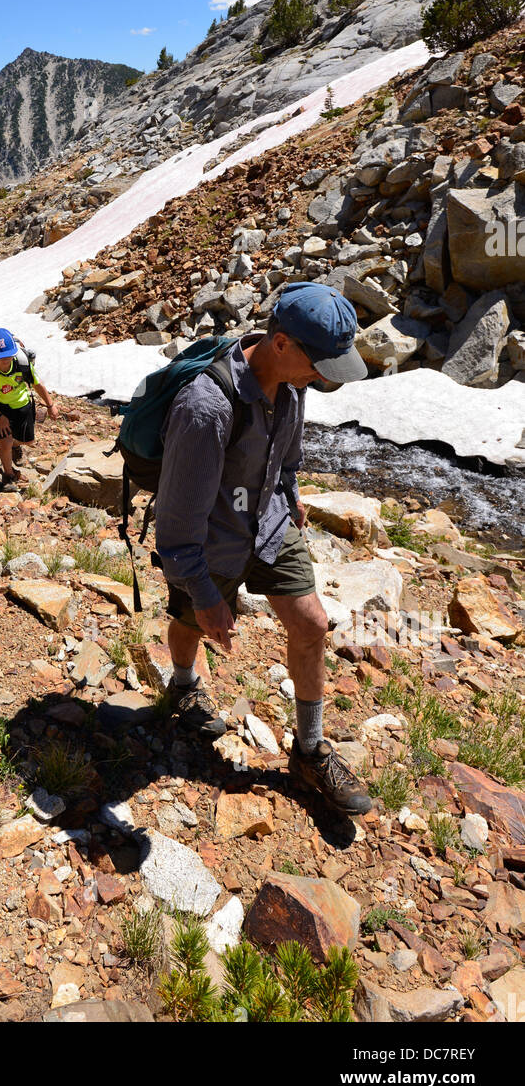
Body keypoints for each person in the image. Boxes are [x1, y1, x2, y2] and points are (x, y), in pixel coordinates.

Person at [154, 281, 373, 817]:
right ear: (280, 343)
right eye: (320, 363)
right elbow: (176, 524)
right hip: (212, 539)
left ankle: (308, 749)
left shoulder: (293, 385)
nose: (324, 377)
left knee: (312, 623)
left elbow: (288, 458)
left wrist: (290, 494)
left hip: (271, 525)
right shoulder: (206, 407)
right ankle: (183, 685)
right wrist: (205, 595)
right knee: (190, 622)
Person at [0, 328, 59, 491]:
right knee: (4, 441)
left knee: (28, 441)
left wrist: (50, 405)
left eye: (7, 355)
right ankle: (8, 476)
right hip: (0, 407)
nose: (5, 360)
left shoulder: (22, 363)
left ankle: (15, 445)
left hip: (22, 405)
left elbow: (37, 384)